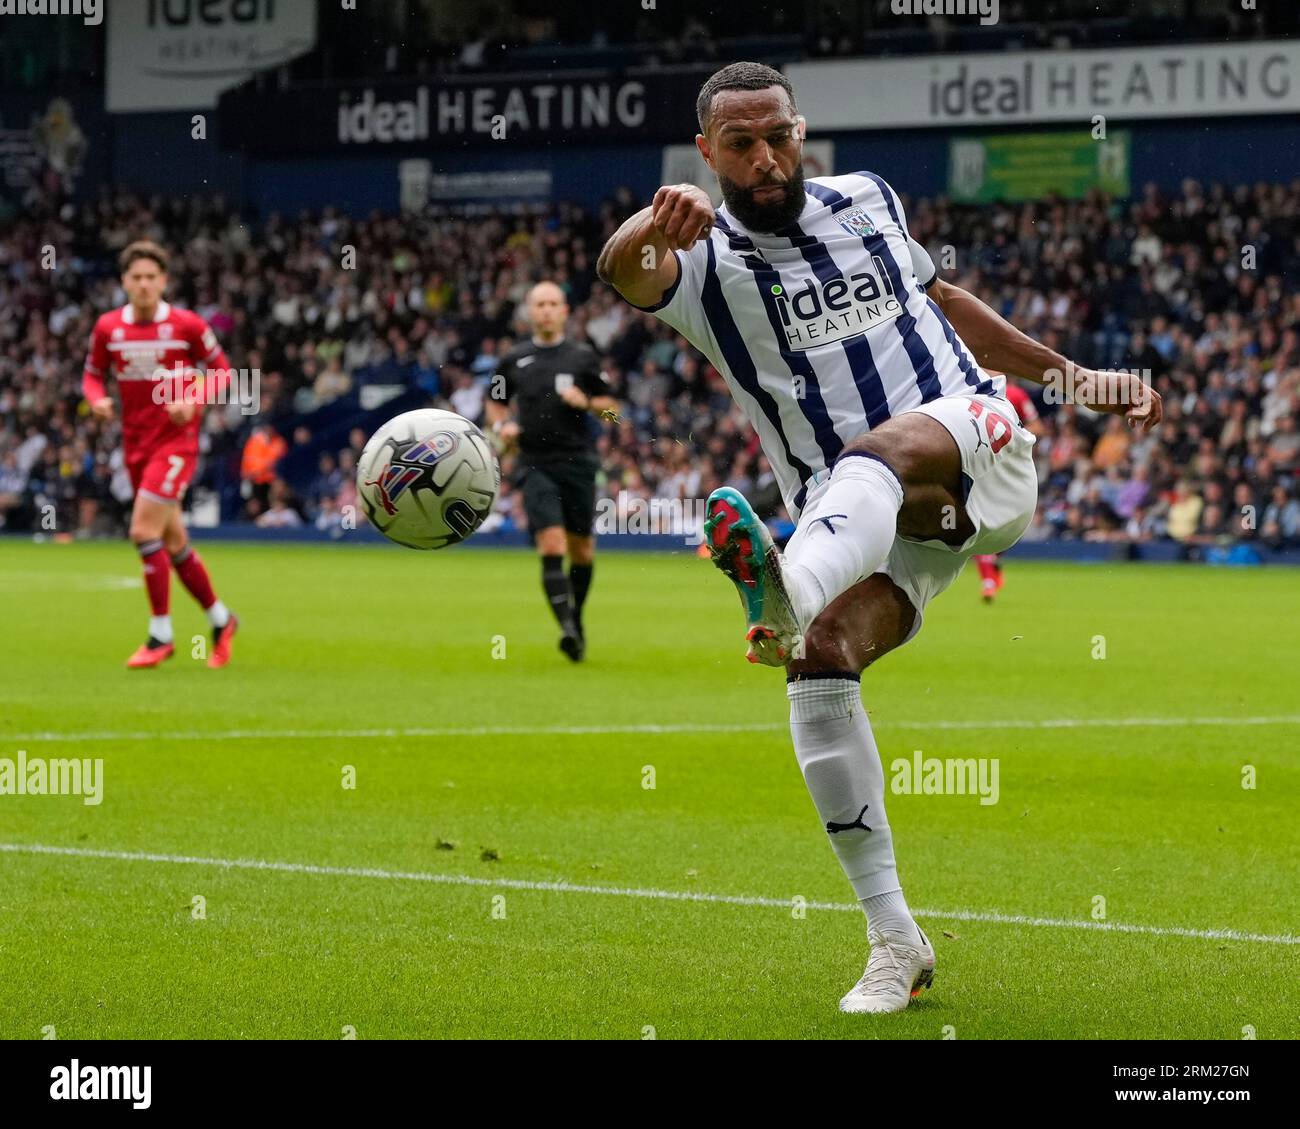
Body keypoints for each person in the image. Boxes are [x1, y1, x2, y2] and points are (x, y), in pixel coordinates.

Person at [597, 62, 1161, 1013]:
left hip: (973, 441)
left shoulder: (868, 198)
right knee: (821, 663)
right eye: (741, 144)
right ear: (706, 152)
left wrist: (1071, 376)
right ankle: (894, 938)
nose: (767, 157)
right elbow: (620, 272)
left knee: (883, 452)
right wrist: (653, 224)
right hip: (865, 521)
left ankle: (791, 586)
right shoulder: (700, 259)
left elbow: (942, 302)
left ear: (800, 128)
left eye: (779, 134)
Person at [83, 240, 240, 669]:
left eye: (152, 277)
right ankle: (222, 620)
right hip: (135, 445)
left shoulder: (187, 325)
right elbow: (92, 377)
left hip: (176, 444)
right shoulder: (108, 328)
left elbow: (223, 371)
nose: (144, 284)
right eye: (136, 277)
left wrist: (194, 400)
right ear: (124, 282)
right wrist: (96, 401)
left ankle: (160, 634)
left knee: (141, 531)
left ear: (164, 281)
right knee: (173, 543)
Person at [485, 281, 617, 662]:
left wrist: (589, 402)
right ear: (529, 311)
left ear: (564, 311)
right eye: (538, 304)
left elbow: (613, 410)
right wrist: (501, 428)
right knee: (552, 543)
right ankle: (568, 629)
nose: (545, 310)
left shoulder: (583, 357)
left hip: (578, 461)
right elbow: (495, 404)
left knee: (582, 550)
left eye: (552, 303)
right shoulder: (512, 359)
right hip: (534, 463)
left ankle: (575, 617)